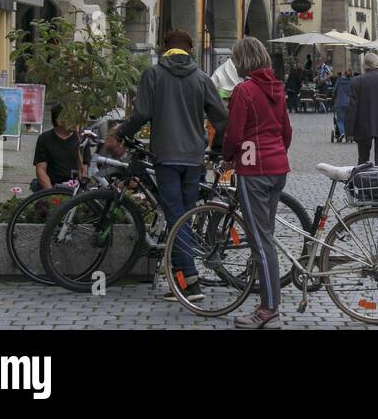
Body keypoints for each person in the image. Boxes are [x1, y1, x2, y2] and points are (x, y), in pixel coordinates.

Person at [117, 29, 228, 301]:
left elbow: (142, 112)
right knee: (184, 217)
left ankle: (190, 282)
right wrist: (217, 148)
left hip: (166, 157)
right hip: (193, 158)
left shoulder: (153, 74)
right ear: (189, 50)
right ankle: (181, 280)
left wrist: (122, 132)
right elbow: (222, 117)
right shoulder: (202, 78)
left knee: (177, 219)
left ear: (165, 48)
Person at [220, 36, 292, 329]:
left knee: (260, 242)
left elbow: (234, 135)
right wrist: (275, 154)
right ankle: (269, 300)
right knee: (267, 237)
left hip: (253, 172)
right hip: (278, 168)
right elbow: (286, 132)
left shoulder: (244, 91)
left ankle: (269, 309)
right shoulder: (277, 88)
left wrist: (227, 159)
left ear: (243, 61)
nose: (233, 64)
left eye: (235, 59)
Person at [31, 104, 85, 192]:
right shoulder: (45, 139)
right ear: (59, 120)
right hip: (52, 185)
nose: (75, 122)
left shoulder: (81, 138)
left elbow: (85, 167)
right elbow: (40, 169)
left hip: (76, 189)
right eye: (71, 118)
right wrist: (51, 193)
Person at [331, 69, 353, 142]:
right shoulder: (352, 81)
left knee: (340, 119)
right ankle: (349, 134)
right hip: (350, 103)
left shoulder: (339, 80)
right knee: (349, 119)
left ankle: (342, 132)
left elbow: (334, 90)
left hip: (340, 102)